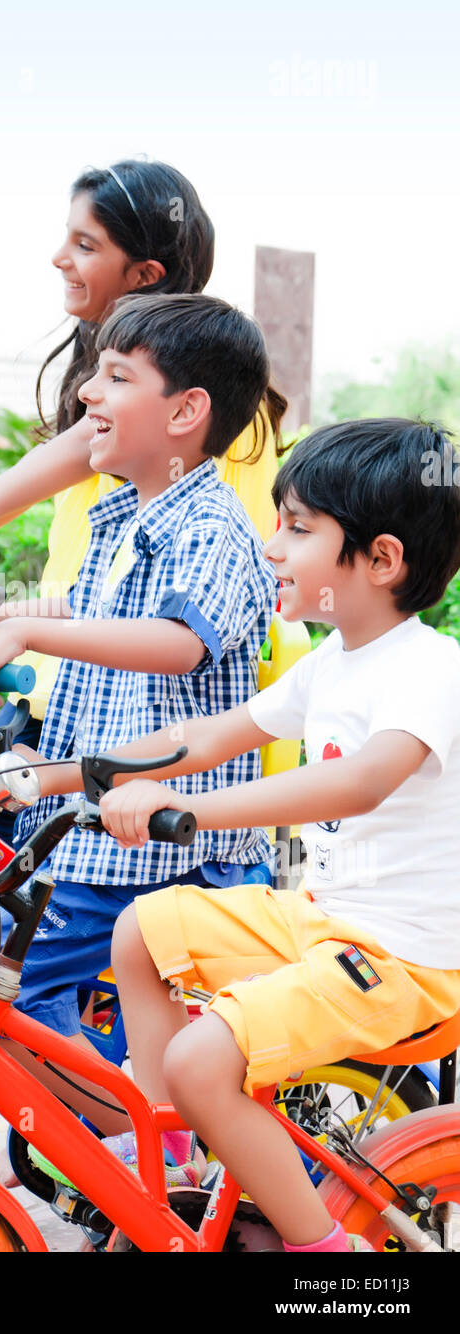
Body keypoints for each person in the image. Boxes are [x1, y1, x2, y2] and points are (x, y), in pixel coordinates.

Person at [87, 417, 460, 1251]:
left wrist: (179, 811)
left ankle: (329, 1257)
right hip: (326, 923)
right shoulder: (332, 660)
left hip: (406, 962)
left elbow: (357, 781)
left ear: (381, 559)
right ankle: (171, 1159)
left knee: (198, 1062)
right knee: (141, 930)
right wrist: (64, 772)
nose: (269, 546)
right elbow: (216, 735)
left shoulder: (431, 670)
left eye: (296, 528)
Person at [0, 292, 279, 1146]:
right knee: (1, 986)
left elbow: (176, 642)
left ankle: (143, 1150)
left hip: (160, 847)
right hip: (96, 835)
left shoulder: (210, 527)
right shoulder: (128, 515)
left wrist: (26, 625)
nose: (87, 392)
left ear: (186, 412)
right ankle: (139, 1145)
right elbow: (86, 610)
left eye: (116, 377)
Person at [0, 160, 285, 841]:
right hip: (70, 693)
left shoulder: (185, 436)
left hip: (122, 723)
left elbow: (184, 623)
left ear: (144, 276)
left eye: (87, 245)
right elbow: (101, 586)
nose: (60, 257)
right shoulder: (130, 416)